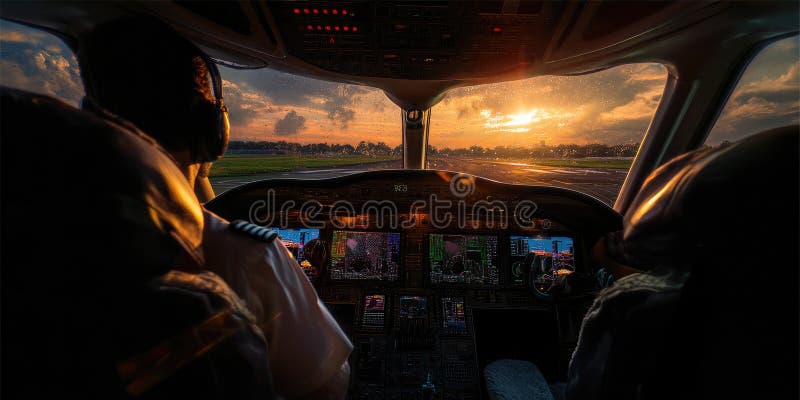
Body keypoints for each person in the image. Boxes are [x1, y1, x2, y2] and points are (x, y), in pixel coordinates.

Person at [76, 17, 352, 399]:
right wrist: (307, 296)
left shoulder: (39, 239)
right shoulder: (248, 256)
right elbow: (330, 388)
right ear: (213, 131)